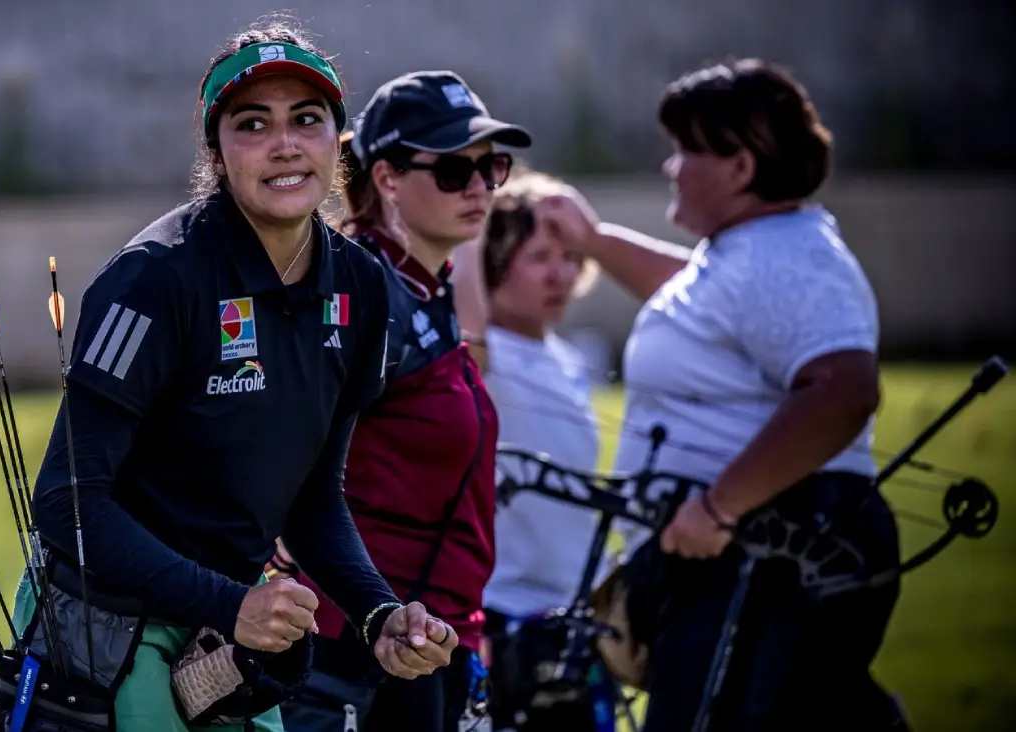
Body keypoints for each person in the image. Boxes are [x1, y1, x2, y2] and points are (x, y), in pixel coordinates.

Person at [17, 17, 459, 732]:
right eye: (253, 123)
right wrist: (232, 603)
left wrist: (377, 612)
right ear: (217, 151)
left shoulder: (363, 288)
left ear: (335, 144)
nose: (285, 144)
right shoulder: (154, 279)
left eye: (306, 120)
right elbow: (69, 504)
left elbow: (312, 497)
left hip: (232, 635)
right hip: (105, 630)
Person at [535, 58, 906, 731]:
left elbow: (845, 389)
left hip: (763, 554)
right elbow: (697, 303)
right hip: (747, 554)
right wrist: (594, 240)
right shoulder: (752, 253)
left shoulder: (785, 257)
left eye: (687, 151)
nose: (671, 167)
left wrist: (718, 506)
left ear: (740, 168)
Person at [278, 70, 532, 732]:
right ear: (387, 178)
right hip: (351, 654)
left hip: (423, 648)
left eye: (491, 167)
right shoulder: (360, 292)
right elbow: (274, 465)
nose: (480, 187)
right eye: (454, 170)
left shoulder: (423, 286)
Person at [447, 169, 617, 731]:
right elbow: (466, 312)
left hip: (571, 622)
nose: (561, 273)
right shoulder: (481, 354)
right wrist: (479, 209)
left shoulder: (571, 360)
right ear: (495, 259)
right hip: (501, 618)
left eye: (571, 256)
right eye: (540, 255)